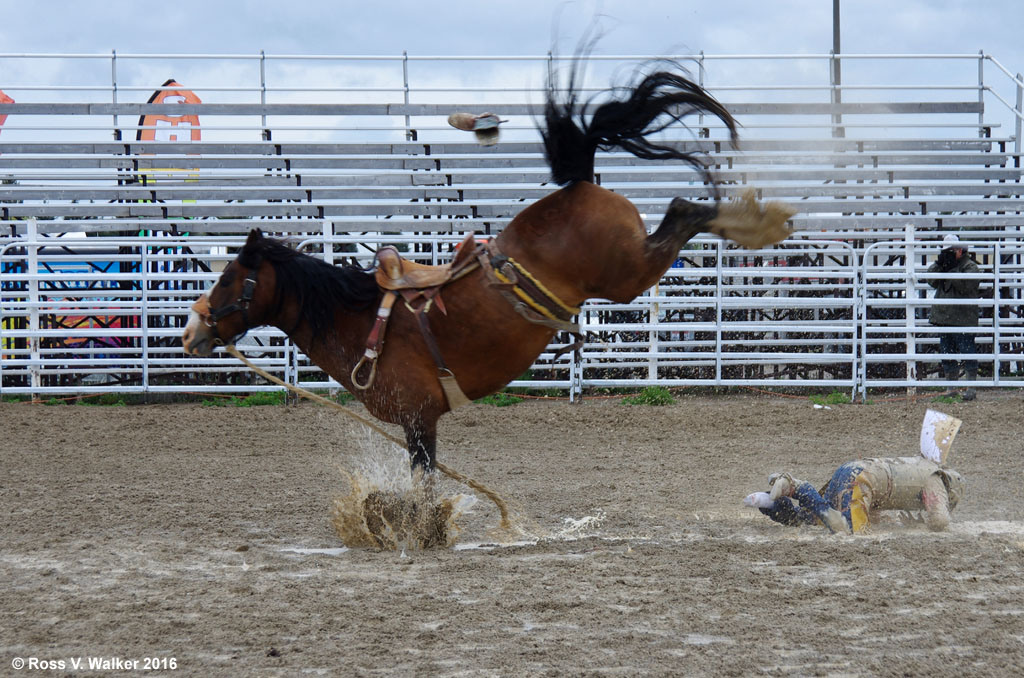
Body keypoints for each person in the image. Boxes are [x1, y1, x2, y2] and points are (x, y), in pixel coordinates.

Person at [743, 410, 965, 534]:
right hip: (861, 480)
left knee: (814, 519)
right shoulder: (936, 479)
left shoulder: (918, 464)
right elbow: (939, 520)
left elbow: (877, 508)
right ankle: (797, 487)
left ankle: (770, 503)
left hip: (855, 472)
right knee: (844, 527)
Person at [926, 233, 981, 400]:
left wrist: (949, 269)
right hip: (945, 318)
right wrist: (940, 263)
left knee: (967, 351)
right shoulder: (947, 266)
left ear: (959, 250)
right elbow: (930, 279)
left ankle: (971, 387)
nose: (947, 254)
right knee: (947, 352)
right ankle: (952, 387)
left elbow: (966, 286)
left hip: (963, 318)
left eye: (950, 251)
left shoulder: (971, 267)